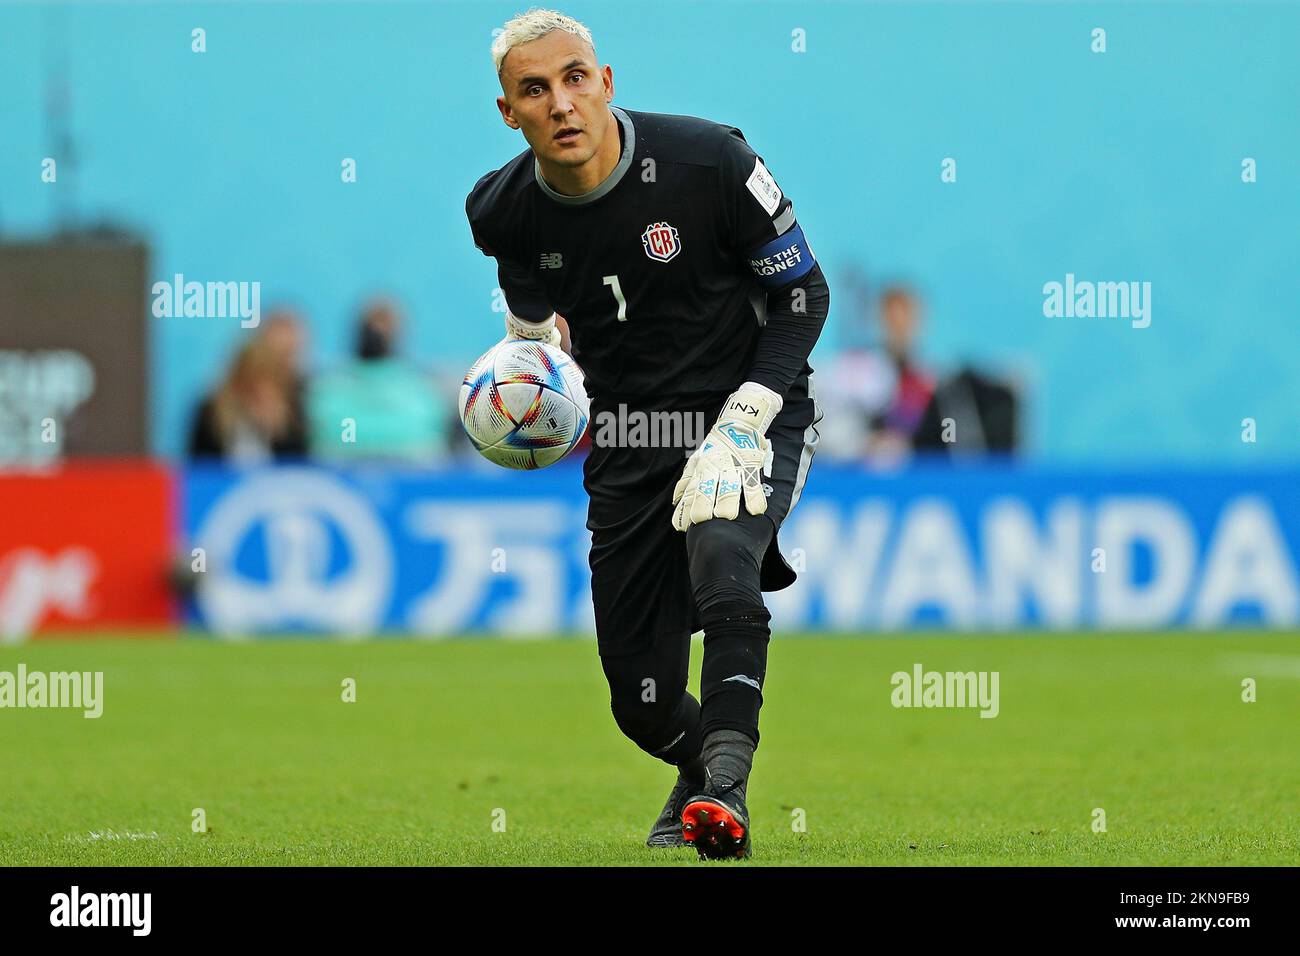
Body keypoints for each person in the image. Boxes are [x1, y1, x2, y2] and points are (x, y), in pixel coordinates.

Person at [465, 9, 829, 859]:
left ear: (606, 83)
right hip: (629, 433)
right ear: (508, 112)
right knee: (642, 701)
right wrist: (524, 392)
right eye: (534, 90)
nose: (560, 102)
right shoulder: (503, 211)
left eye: (574, 79)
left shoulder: (711, 162)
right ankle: (695, 764)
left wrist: (746, 415)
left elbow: (803, 297)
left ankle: (726, 795)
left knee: (722, 558)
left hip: (748, 411)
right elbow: (532, 333)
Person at [306, 298, 450, 462]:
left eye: (387, 325)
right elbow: (335, 435)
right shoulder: (329, 388)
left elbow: (423, 438)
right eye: (374, 324)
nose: (379, 332)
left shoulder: (424, 389)